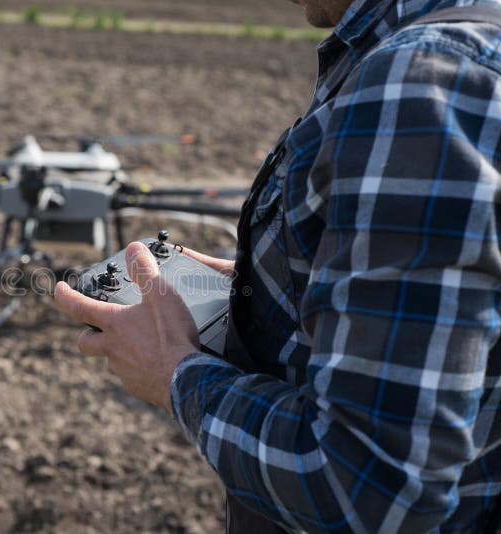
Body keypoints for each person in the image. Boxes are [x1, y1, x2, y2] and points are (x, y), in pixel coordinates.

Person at [55, 0, 501, 531]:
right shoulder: (461, 44)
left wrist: (174, 373)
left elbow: (367, 490)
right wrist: (261, 287)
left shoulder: (419, 80)